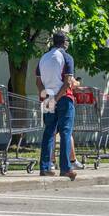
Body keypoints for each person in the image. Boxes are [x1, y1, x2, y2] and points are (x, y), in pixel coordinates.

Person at [37, 32, 78, 179]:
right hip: (63, 98)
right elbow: (67, 82)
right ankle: (66, 168)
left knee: (49, 132)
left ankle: (45, 167)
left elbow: (38, 82)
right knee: (66, 132)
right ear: (64, 43)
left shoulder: (43, 58)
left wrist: (46, 97)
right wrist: (57, 97)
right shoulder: (67, 57)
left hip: (47, 98)